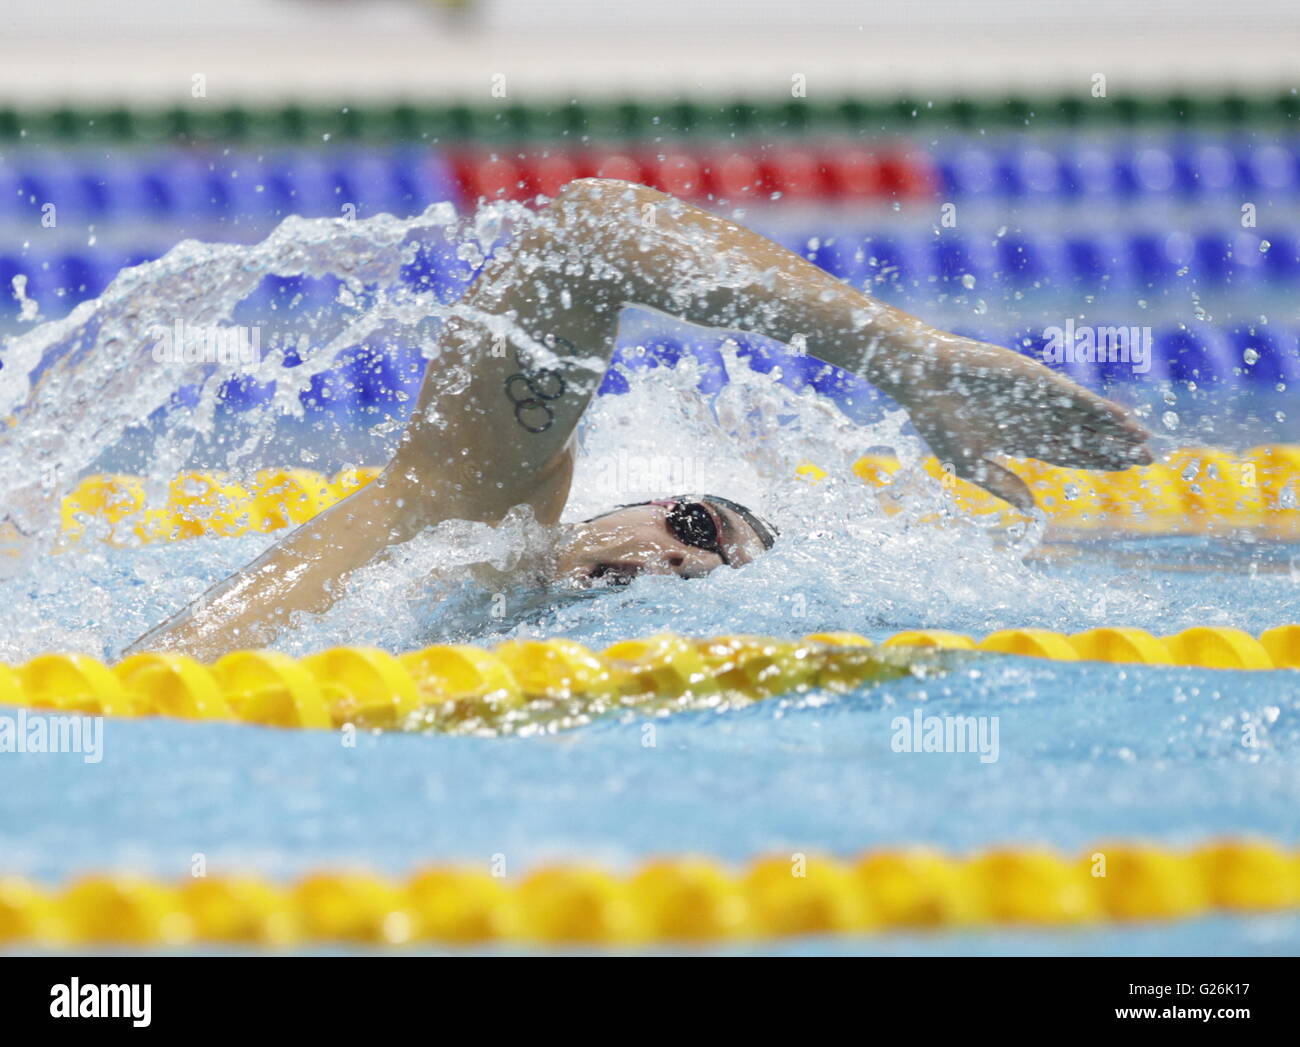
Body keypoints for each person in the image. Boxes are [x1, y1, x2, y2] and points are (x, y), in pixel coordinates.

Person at [125, 178, 1151, 661]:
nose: (684, 566)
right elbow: (592, 233)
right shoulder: (474, 526)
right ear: (650, 500)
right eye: (696, 528)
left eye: (710, 576)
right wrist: (899, 358)